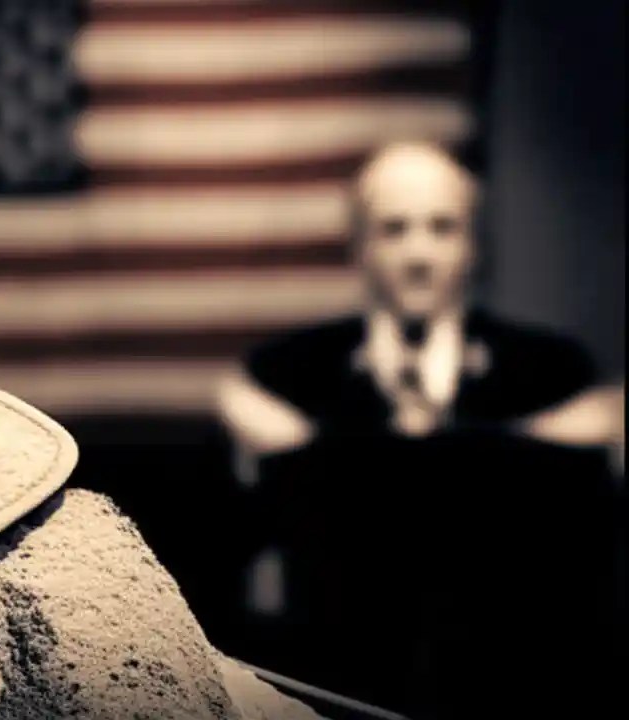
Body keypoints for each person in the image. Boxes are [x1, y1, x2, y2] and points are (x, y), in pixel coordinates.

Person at [214, 141, 625, 718]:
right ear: (359, 246)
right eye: (394, 229)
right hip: (336, 688)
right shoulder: (285, 373)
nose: (419, 254)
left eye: (442, 227)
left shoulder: (551, 372)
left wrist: (319, 455)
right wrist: (517, 450)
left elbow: (577, 576)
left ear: (473, 244)